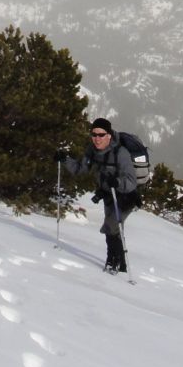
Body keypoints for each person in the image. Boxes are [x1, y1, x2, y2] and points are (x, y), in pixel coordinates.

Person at [55, 117, 140, 273]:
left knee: (111, 227)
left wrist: (118, 182)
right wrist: (65, 160)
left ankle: (114, 262)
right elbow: (80, 169)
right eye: (94, 134)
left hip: (126, 195)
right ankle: (120, 265)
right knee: (112, 228)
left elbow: (131, 181)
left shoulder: (121, 153)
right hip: (108, 194)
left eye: (101, 135)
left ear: (109, 135)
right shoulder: (92, 151)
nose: (97, 138)